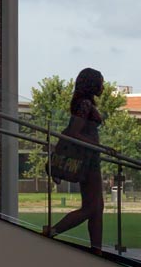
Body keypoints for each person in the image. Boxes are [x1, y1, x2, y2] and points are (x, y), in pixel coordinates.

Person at [43, 67, 107, 252]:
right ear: (92, 83)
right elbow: (73, 132)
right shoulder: (85, 104)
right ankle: (53, 230)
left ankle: (97, 249)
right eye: (101, 82)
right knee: (92, 207)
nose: (103, 86)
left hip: (91, 157)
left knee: (97, 206)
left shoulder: (84, 102)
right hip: (88, 159)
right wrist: (98, 146)